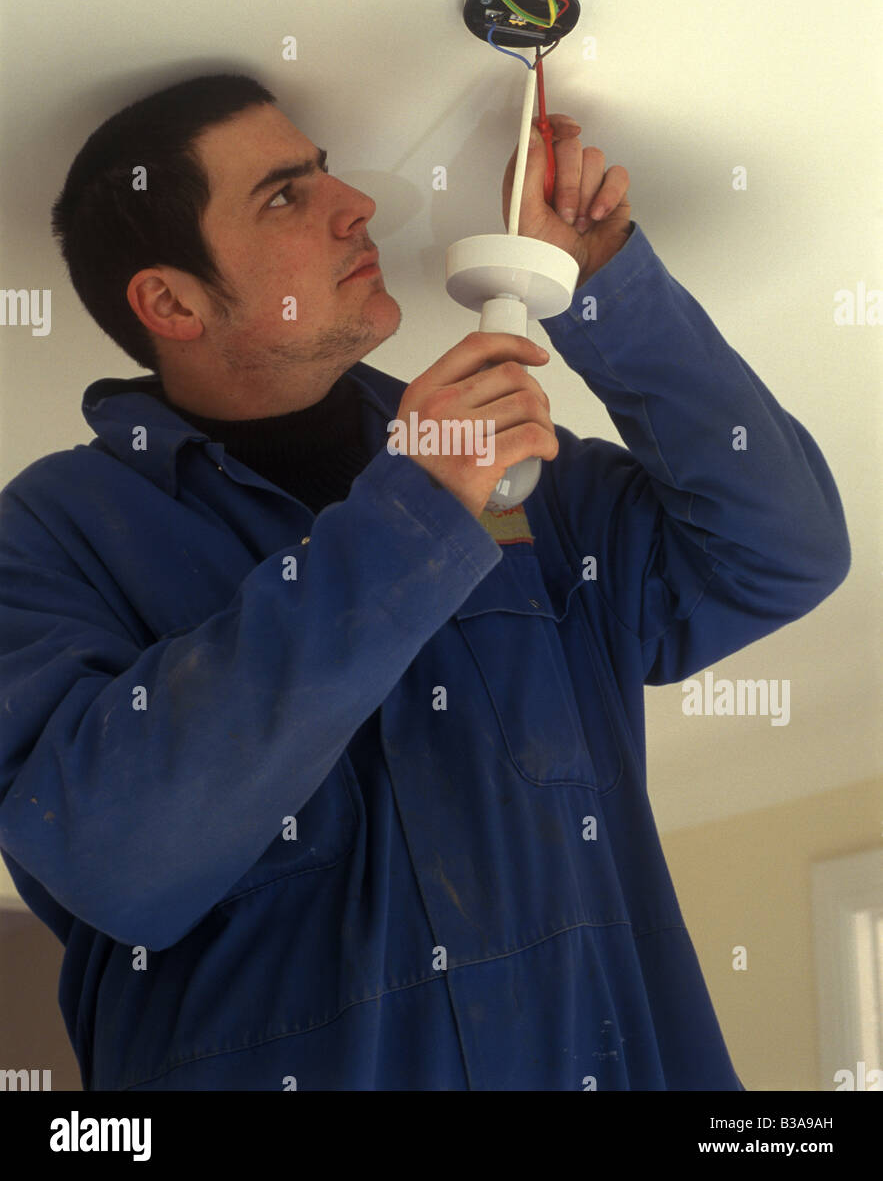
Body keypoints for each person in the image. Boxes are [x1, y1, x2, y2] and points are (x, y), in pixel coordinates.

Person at [0, 73, 849, 1091]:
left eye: (322, 172)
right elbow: (110, 855)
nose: (355, 203)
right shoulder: (51, 531)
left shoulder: (523, 481)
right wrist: (414, 517)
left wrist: (600, 285)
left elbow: (781, 550)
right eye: (284, 194)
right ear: (172, 300)